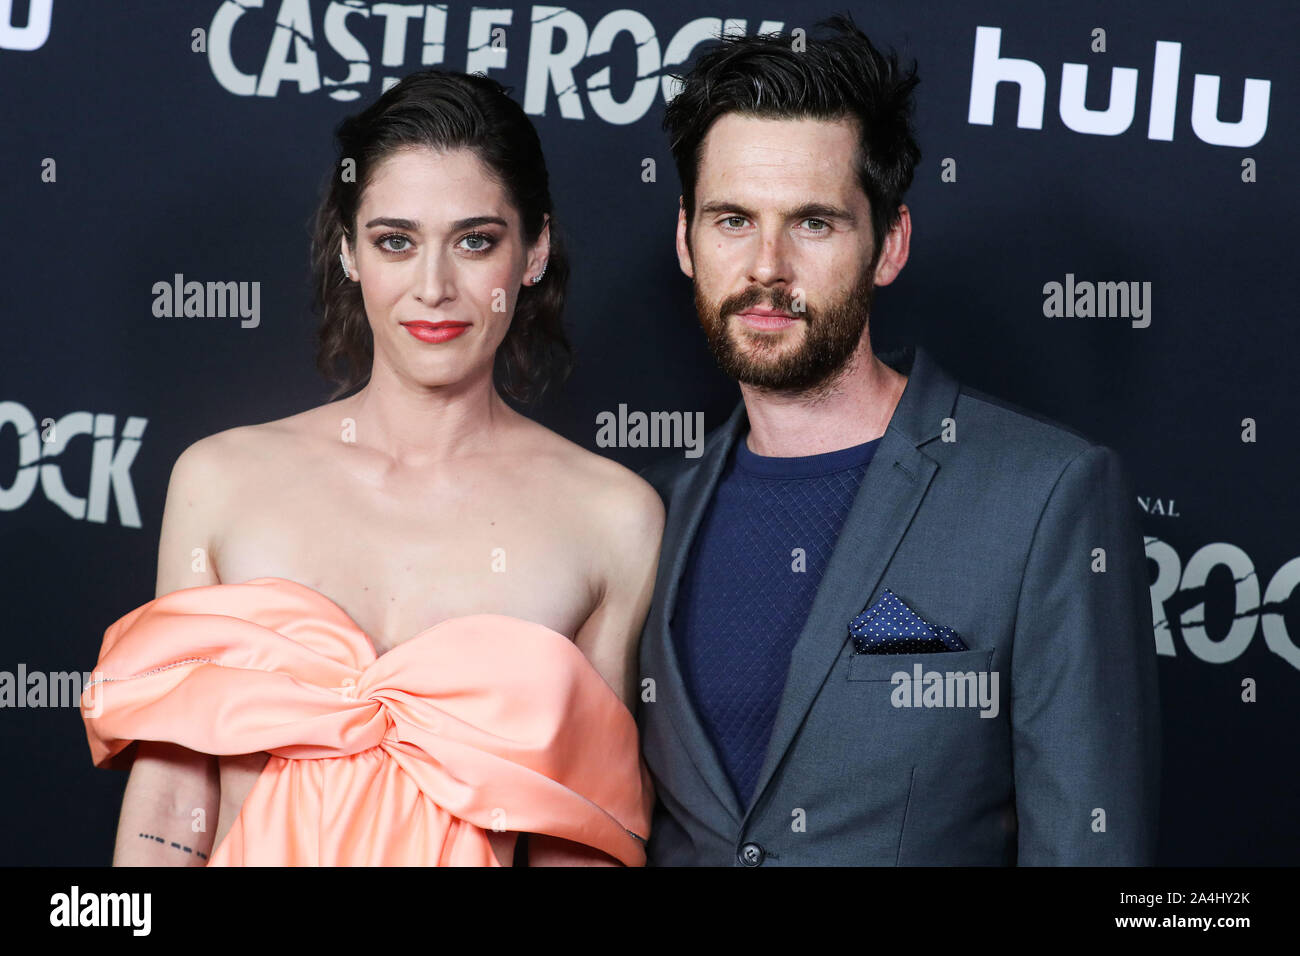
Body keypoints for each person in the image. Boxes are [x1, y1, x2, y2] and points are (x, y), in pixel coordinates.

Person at [81, 69, 663, 867]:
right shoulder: (219, 481)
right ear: (351, 253)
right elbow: (173, 798)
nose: (434, 288)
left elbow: (584, 837)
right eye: (396, 241)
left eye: (476, 241)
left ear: (534, 253)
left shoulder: (613, 518)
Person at [636, 14, 1161, 865]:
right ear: (686, 240)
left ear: (889, 245)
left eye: (813, 223)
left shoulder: (1045, 496)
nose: (767, 266)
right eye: (733, 220)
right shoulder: (648, 511)